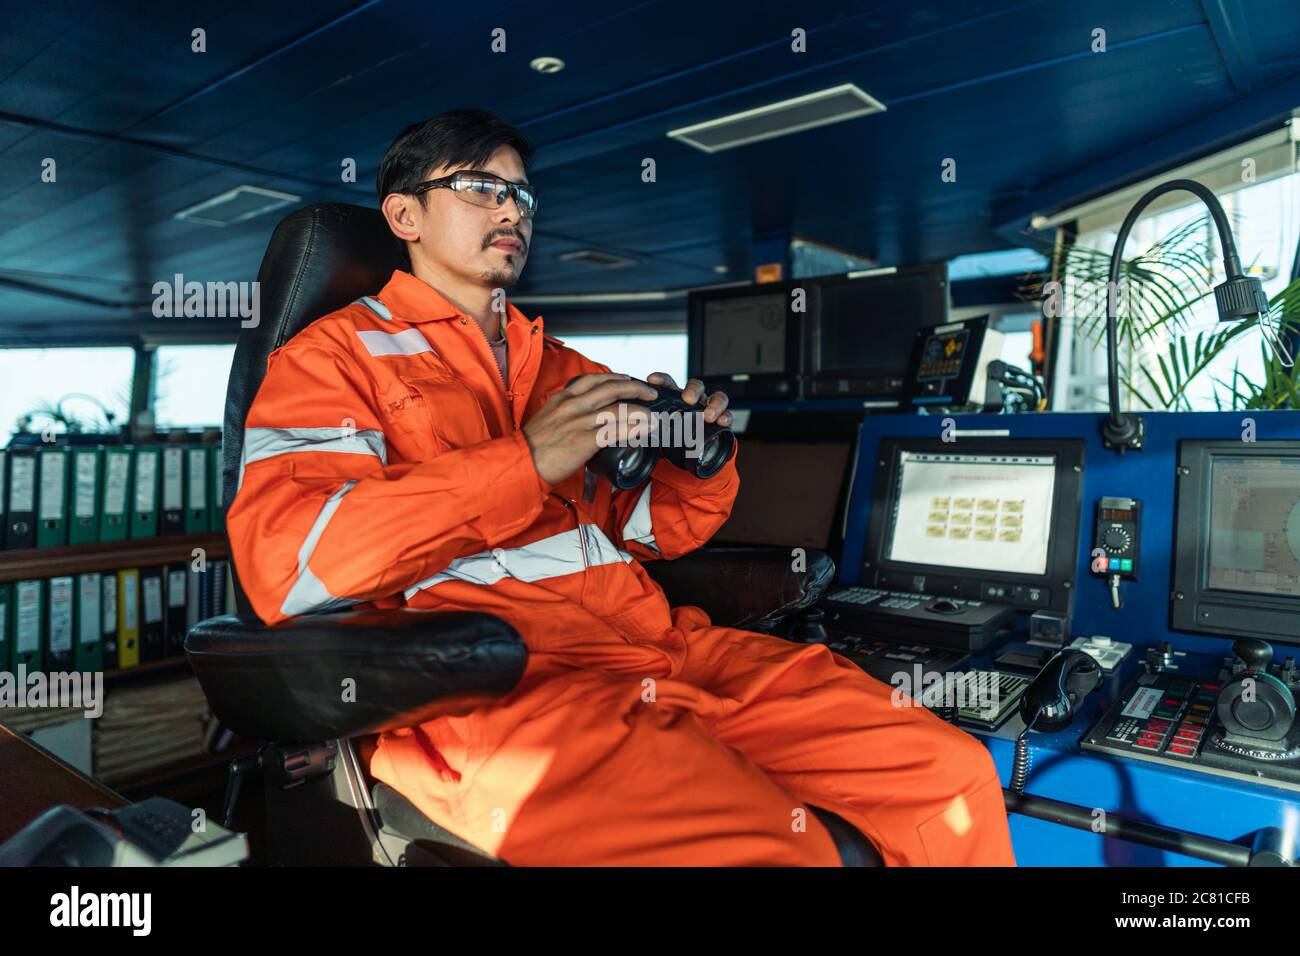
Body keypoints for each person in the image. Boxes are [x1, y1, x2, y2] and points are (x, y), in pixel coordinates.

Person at [226, 108, 1016, 866]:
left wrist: (700, 461)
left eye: (522, 195)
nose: (511, 210)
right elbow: (291, 563)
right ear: (404, 215)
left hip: (661, 653)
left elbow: (645, 529)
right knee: (782, 849)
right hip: (496, 689)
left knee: (949, 775)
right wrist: (527, 461)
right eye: (479, 187)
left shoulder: (567, 370)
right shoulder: (331, 360)